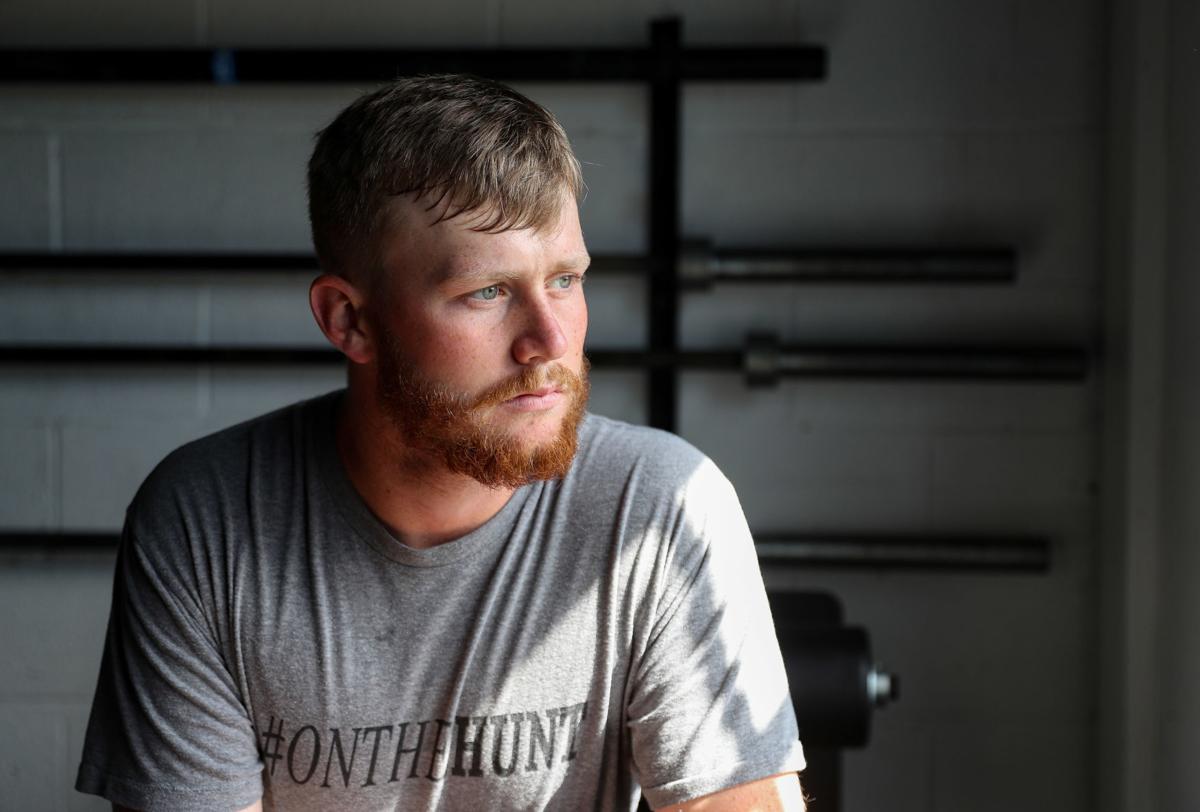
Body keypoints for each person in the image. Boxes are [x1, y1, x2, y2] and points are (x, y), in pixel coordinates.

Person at [75, 74, 806, 811]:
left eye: (565, 279)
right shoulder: (207, 522)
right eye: (485, 292)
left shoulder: (661, 508)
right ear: (349, 321)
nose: (549, 341)